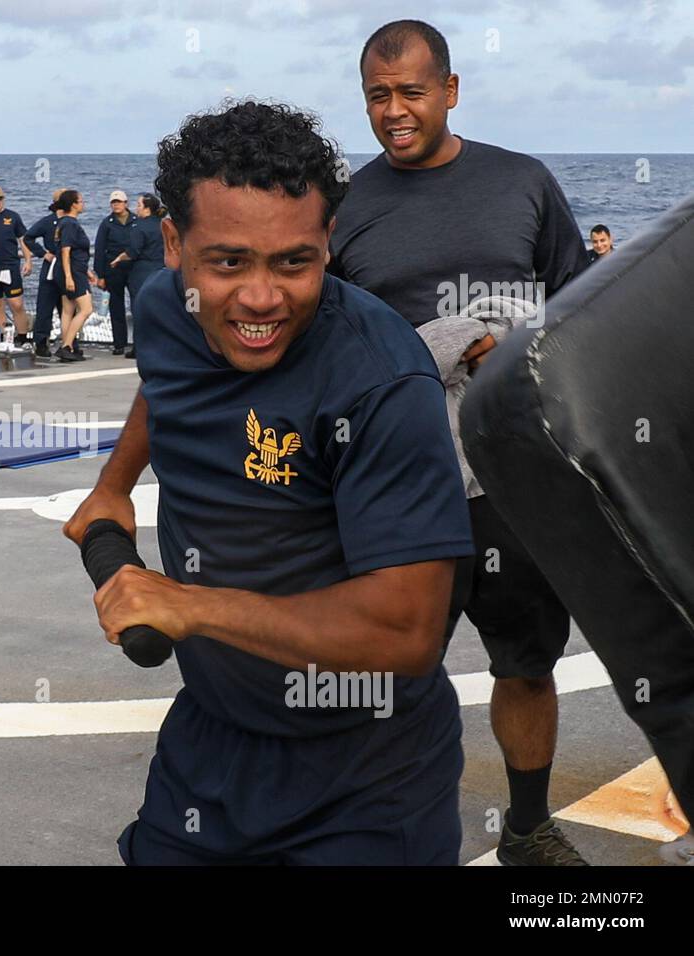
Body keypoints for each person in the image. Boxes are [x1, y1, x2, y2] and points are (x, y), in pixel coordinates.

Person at [63, 100, 473, 866]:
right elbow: (166, 382)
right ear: (174, 245)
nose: (260, 299)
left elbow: (404, 630)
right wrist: (115, 483)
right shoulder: (165, 309)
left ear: (328, 241)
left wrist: (187, 606)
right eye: (227, 263)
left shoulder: (380, 383)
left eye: (294, 262)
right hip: (210, 743)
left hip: (367, 774)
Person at [329, 19, 591, 866]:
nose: (394, 111)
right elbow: (322, 338)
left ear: (450, 88)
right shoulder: (347, 205)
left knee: (527, 663)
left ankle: (528, 827)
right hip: (395, 479)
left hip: (511, 474)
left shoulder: (523, 181)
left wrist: (512, 341)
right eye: (378, 95)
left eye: (411, 91)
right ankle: (389, 834)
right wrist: (423, 348)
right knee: (390, 674)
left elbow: (584, 306)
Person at [109, 193, 168, 360]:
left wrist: (117, 259)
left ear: (147, 209)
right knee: (157, 309)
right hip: (160, 270)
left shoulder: (139, 226)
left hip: (142, 272)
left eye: (139, 205)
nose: (136, 208)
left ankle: (139, 347)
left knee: (139, 310)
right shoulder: (162, 225)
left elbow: (133, 252)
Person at [0, 186, 33, 347]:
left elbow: (23, 239)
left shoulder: (13, 217)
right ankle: (4, 339)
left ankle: (23, 338)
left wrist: (28, 260)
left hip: (9, 266)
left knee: (16, 304)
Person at [53, 189, 96, 362]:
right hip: (72, 271)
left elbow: (73, 252)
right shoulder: (70, 224)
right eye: (81, 201)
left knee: (68, 310)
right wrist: (70, 276)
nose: (83, 203)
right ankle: (66, 346)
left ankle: (67, 346)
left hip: (73, 269)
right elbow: (66, 251)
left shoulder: (62, 222)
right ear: (73, 204)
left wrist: (87, 271)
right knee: (86, 309)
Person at [93, 190, 136, 354]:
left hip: (133, 269)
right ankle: (119, 344)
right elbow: (99, 249)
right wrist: (100, 275)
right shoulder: (107, 223)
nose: (116, 205)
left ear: (126, 203)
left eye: (119, 202)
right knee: (116, 307)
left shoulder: (136, 221)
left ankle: (138, 344)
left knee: (136, 305)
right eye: (113, 202)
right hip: (113, 269)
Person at [24, 189, 64, 358]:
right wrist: (43, 253)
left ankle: (70, 342)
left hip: (67, 266)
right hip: (52, 265)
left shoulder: (70, 221)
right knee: (45, 306)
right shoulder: (48, 222)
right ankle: (41, 342)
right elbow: (28, 237)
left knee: (67, 307)